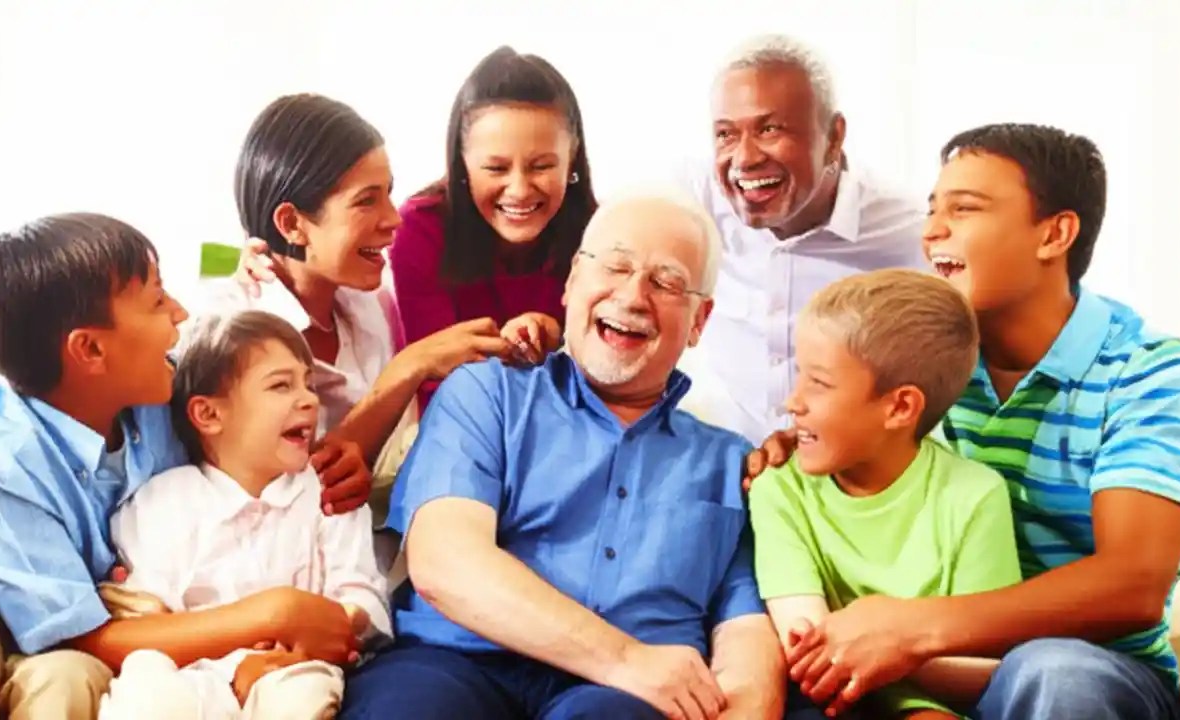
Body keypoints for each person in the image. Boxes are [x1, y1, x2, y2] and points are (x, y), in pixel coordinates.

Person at [752, 124, 1180, 720]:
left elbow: (1134, 585)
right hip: (930, 674)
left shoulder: (1150, 373)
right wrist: (813, 435)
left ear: (1055, 233)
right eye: (932, 209)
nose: (931, 231)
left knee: (1055, 672)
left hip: (1091, 678)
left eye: (964, 209)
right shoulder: (920, 367)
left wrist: (912, 630)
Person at [340, 187, 821, 720]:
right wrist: (624, 659)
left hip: (625, 702)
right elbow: (446, 563)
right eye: (615, 267)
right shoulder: (487, 394)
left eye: (666, 282)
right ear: (571, 282)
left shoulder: (733, 463)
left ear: (700, 322)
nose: (633, 296)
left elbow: (746, 635)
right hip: (457, 662)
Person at [0, 214, 370, 719]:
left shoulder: (162, 396)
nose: (181, 314)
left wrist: (340, 455)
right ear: (90, 349)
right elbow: (87, 640)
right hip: (82, 648)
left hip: (195, 631)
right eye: (158, 301)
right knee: (63, 681)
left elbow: (261, 431)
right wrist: (270, 615)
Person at [213, 93, 515, 536]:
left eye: (388, 194)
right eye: (366, 201)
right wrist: (407, 369)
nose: (394, 219)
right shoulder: (234, 334)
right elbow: (291, 488)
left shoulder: (366, 302)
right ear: (292, 224)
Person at [749, 269, 1020, 719]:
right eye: (800, 376)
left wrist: (896, 650)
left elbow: (987, 668)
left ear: (899, 407)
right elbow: (808, 648)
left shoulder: (974, 495)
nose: (792, 402)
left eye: (818, 383)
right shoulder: (780, 487)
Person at [99, 310, 391, 719]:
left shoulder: (329, 491)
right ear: (209, 415)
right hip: (192, 671)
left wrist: (304, 643)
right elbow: (149, 614)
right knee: (146, 683)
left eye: (308, 383)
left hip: (292, 666)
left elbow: (362, 596)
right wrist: (235, 659)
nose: (308, 398)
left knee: (302, 693)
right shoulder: (160, 503)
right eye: (281, 385)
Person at [676, 33, 927, 444]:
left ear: (834, 137)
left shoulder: (910, 231)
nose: (744, 158)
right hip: (727, 465)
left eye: (770, 129)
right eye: (725, 134)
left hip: (843, 481)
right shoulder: (691, 197)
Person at [389, 45, 597, 409]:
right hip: (463, 429)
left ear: (573, 156)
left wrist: (557, 335)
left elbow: (611, 382)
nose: (518, 189)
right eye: (496, 169)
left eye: (541, 166)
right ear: (463, 163)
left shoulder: (599, 235)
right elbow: (438, 386)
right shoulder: (420, 230)